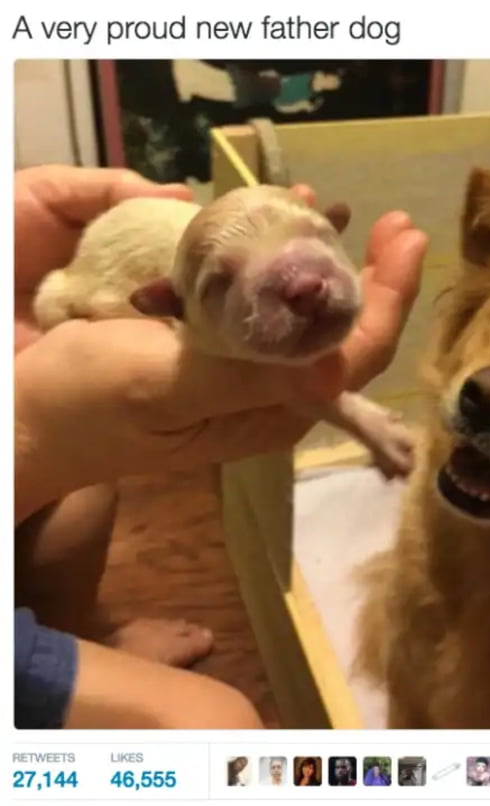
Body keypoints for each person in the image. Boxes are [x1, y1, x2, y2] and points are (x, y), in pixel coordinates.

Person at [13, 164, 428, 730]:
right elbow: (58, 296)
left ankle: (84, 635)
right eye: (218, 283)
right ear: (168, 306)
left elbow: (301, 376)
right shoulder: (128, 299)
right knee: (221, 725)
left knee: (80, 506)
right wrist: (33, 425)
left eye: (316, 239)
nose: (305, 286)